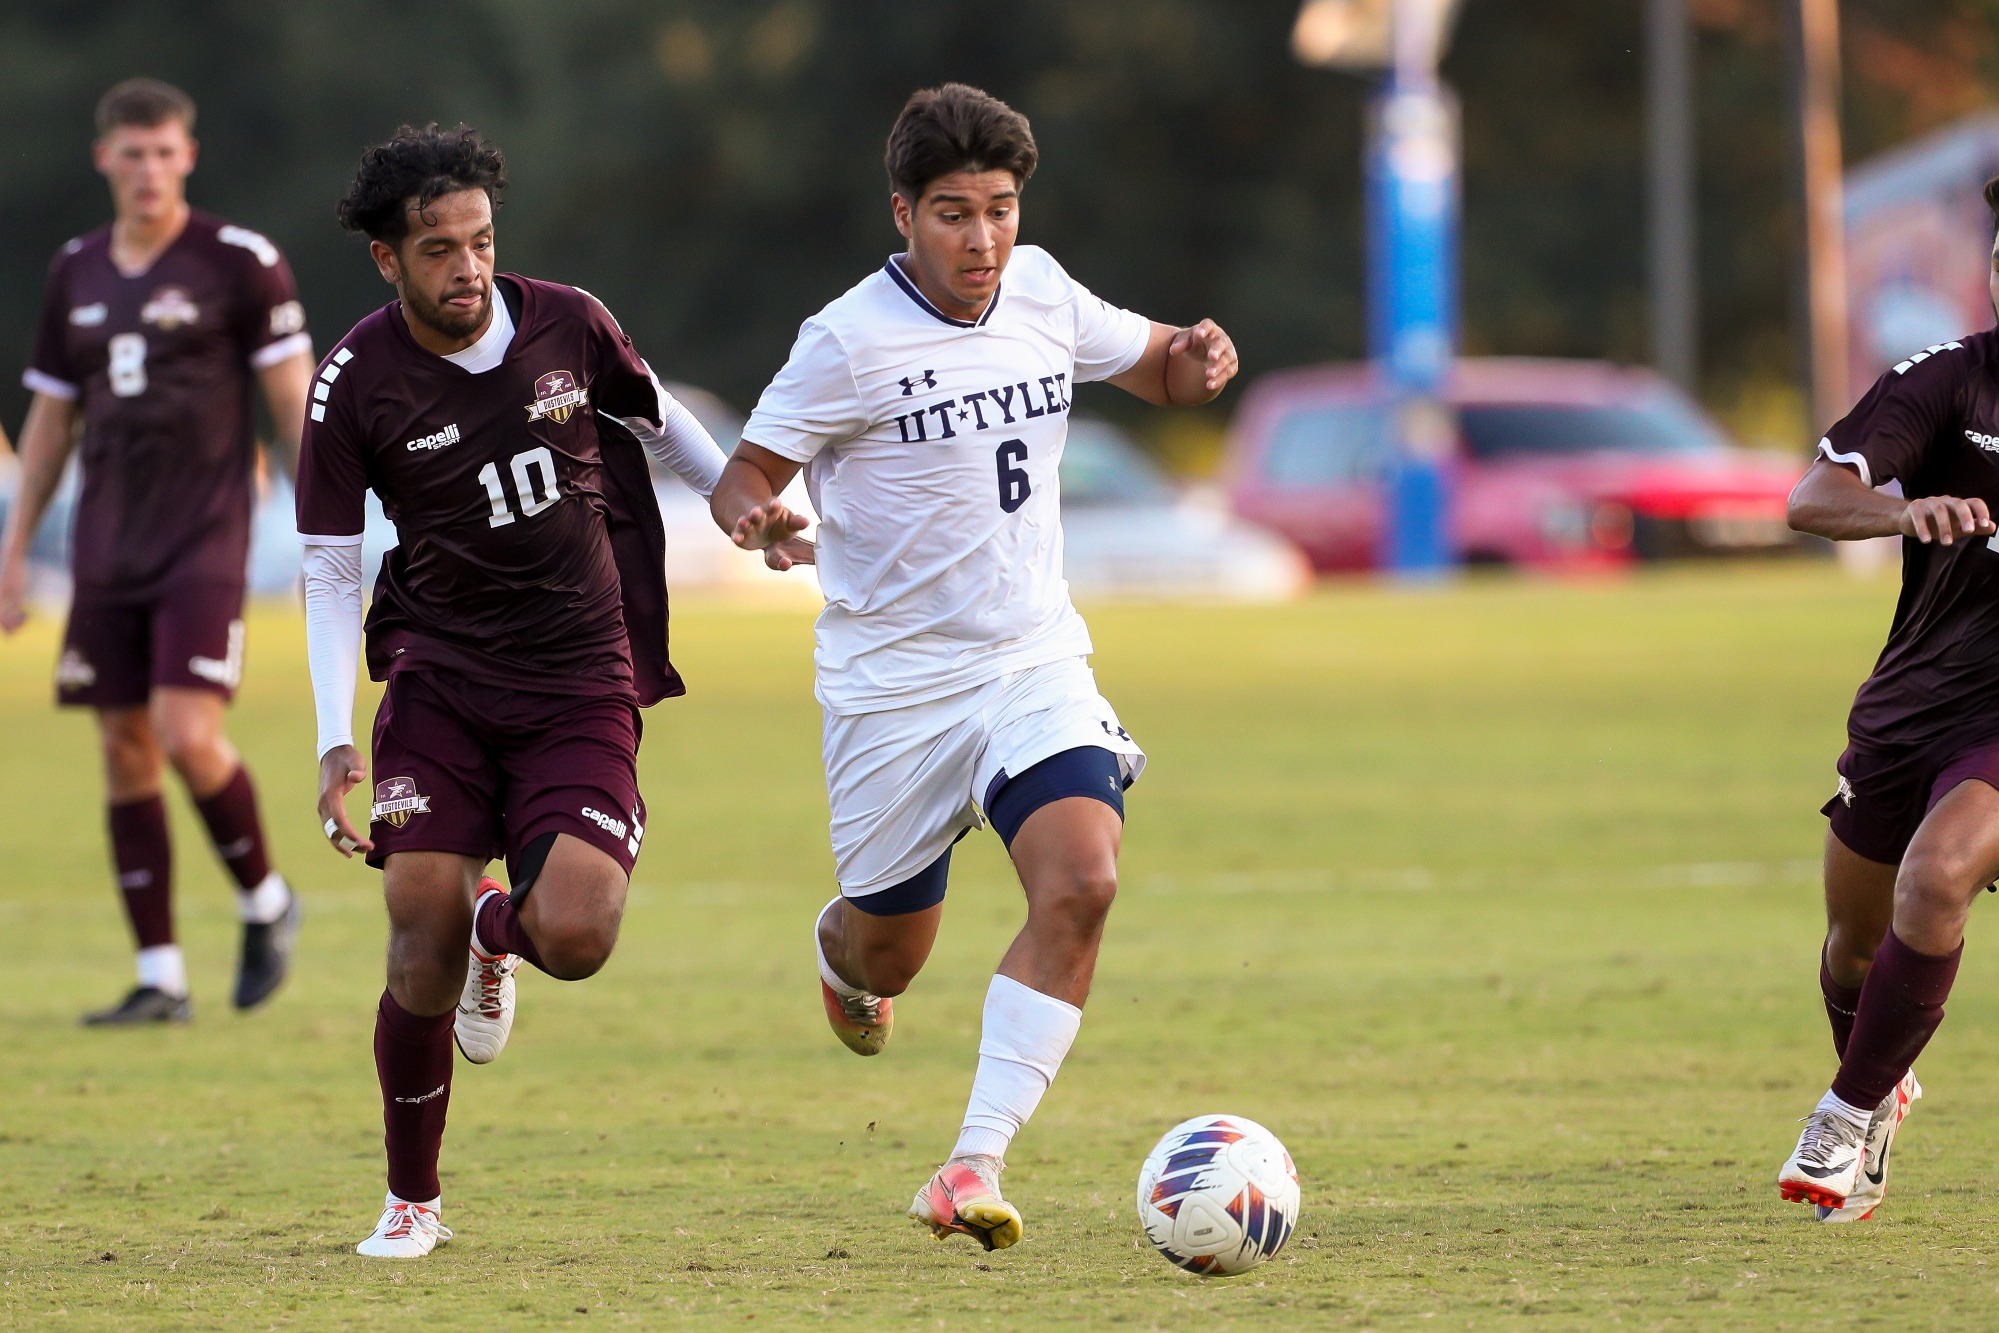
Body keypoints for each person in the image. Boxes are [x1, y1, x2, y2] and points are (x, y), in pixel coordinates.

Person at [712, 83, 1239, 1252]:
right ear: (902, 214)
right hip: (890, 694)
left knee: (1082, 883)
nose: (982, 239)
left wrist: (1196, 361)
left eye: (999, 209)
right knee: (887, 949)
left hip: (1027, 660)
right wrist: (757, 520)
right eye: (953, 213)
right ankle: (838, 955)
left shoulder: (1041, 290)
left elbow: (1156, 365)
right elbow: (743, 474)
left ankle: (969, 1161)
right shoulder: (845, 339)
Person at [298, 123, 767, 1259]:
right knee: (416, 925)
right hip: (440, 681)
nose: (466, 267)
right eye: (438, 250)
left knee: (578, 934)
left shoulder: (570, 320)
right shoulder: (352, 382)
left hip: (578, 681)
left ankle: (498, 937)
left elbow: (662, 426)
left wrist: (741, 508)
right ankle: (413, 1199)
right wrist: (330, 740)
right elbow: (325, 567)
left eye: (480, 241)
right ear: (387, 261)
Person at [0, 78, 312, 1025]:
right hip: (107, 543)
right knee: (122, 746)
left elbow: (293, 400)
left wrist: (325, 523)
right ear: (105, 158)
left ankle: (266, 899)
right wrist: (15, 548)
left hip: (205, 535)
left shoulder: (239, 262)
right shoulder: (76, 270)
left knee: (185, 732)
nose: (148, 170)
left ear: (189, 155)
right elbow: (52, 421)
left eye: (164, 151)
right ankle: (161, 975)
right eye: (131, 153)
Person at [1774, 176, 1999, 1221]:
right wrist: (1899, 516)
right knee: (1852, 949)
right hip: (1909, 706)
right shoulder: (1950, 382)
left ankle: (1842, 1115)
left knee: (1937, 871)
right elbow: (1811, 498)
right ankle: (1874, 1078)